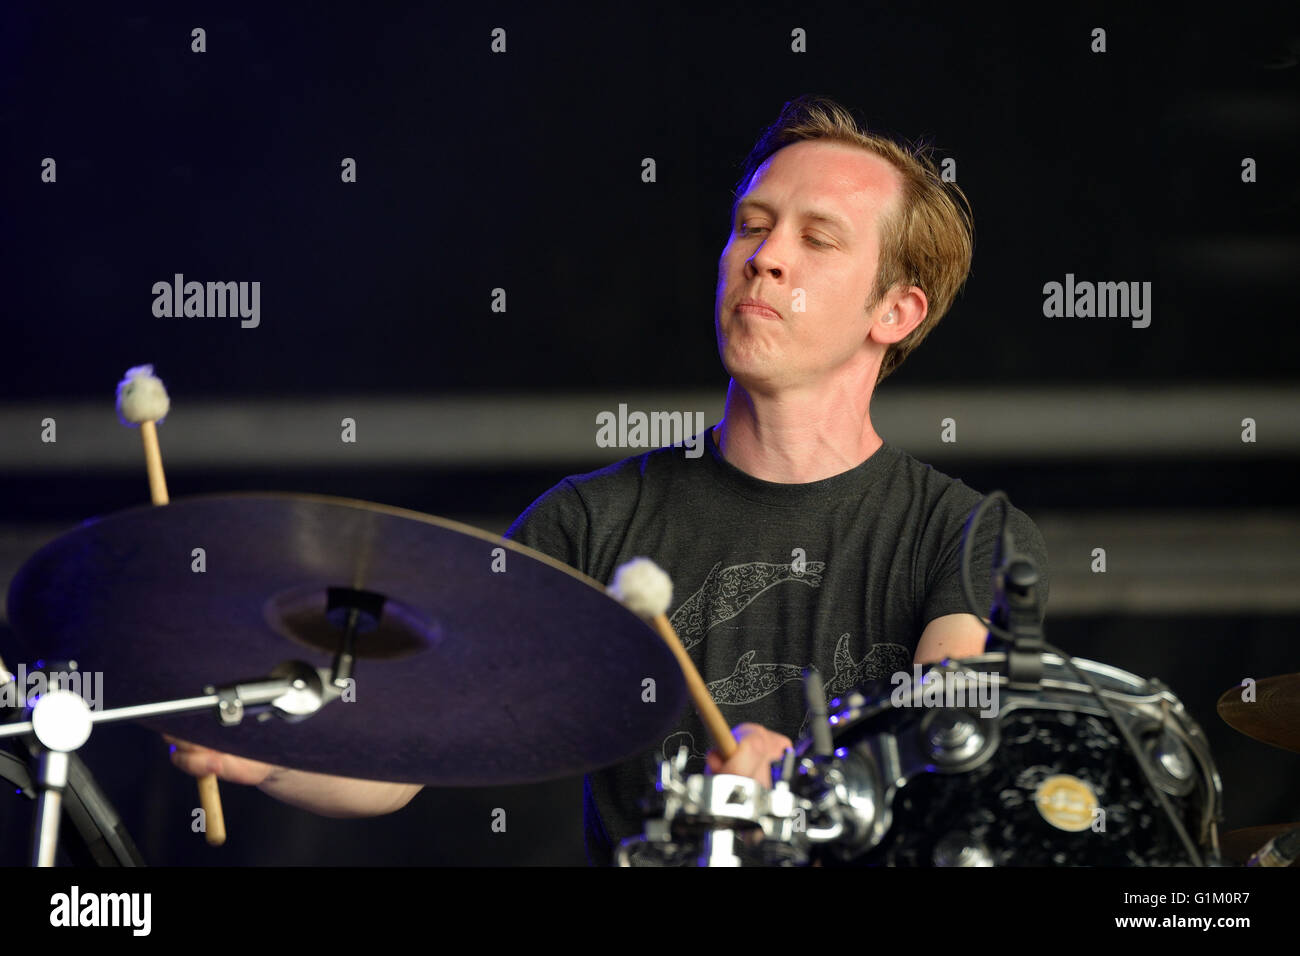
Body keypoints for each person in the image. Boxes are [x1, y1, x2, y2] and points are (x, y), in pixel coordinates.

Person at [169, 94, 1049, 865]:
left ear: (895, 312)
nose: (765, 256)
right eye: (751, 224)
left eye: (817, 238)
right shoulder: (591, 524)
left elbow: (951, 760)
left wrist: (812, 782)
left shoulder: (964, 534)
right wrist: (260, 753)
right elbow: (406, 759)